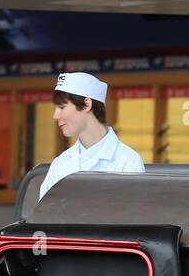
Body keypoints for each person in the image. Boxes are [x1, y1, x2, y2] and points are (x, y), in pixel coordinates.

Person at [38, 72, 144, 200]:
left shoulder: (128, 162)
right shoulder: (60, 164)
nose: (55, 116)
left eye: (62, 107)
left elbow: (133, 215)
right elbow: (44, 216)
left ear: (87, 105)